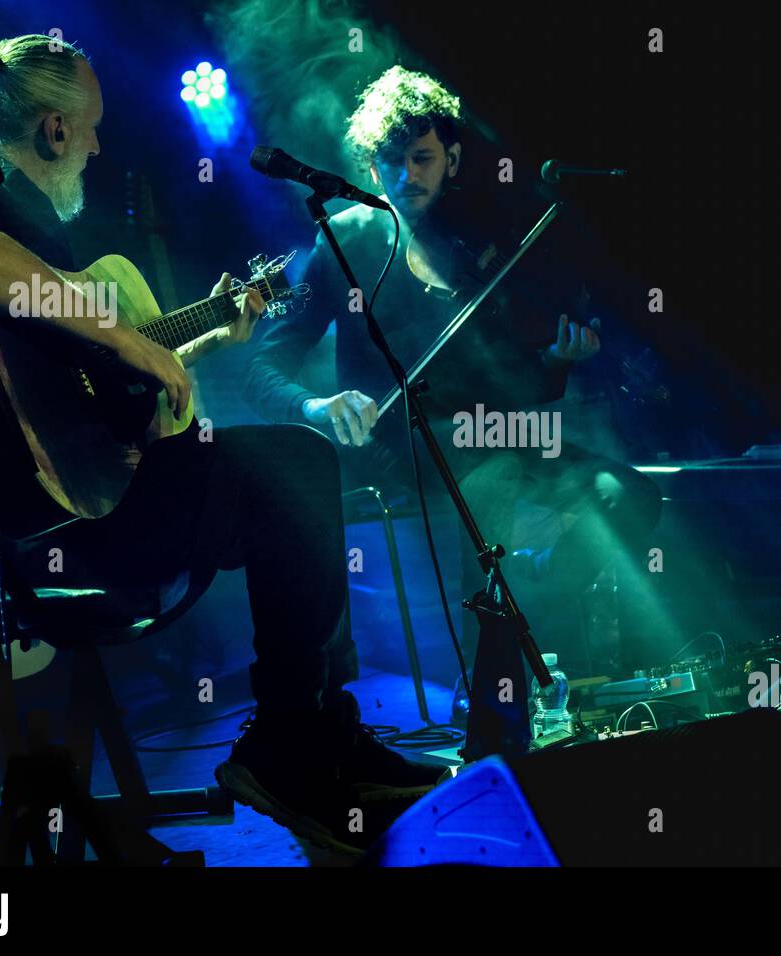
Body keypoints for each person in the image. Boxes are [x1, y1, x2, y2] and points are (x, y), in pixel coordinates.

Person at [0, 35, 440, 857]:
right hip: (33, 537)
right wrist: (134, 346)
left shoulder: (23, 220)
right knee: (291, 463)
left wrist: (187, 342)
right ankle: (292, 742)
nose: (100, 147)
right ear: (54, 128)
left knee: (289, 465)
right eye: (92, 128)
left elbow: (82, 391)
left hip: (69, 508)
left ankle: (315, 727)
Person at [244, 66, 662, 674]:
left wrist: (552, 362)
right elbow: (265, 362)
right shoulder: (340, 244)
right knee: (494, 475)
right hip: (396, 440)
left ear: (452, 159)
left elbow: (507, 384)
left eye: (423, 158)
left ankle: (534, 591)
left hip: (488, 433)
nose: (408, 175)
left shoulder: (474, 245)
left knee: (629, 494)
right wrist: (317, 407)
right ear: (369, 166)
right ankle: (493, 692)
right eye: (392, 161)